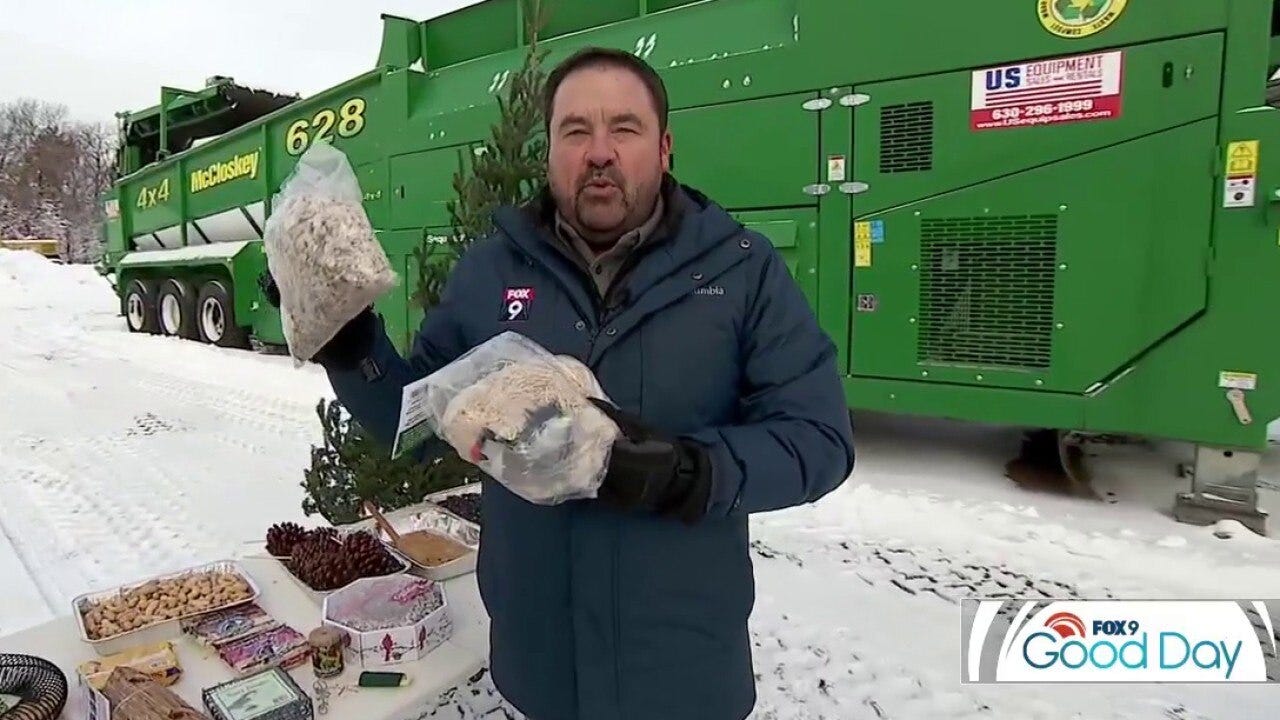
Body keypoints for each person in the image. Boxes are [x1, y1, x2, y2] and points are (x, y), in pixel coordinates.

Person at [306, 47, 855, 720]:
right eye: (575, 131)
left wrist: (691, 473)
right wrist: (351, 346)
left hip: (683, 674)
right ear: (549, 152)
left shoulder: (741, 272)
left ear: (665, 147)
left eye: (625, 128)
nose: (599, 152)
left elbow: (818, 439)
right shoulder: (489, 272)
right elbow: (417, 423)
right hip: (542, 670)